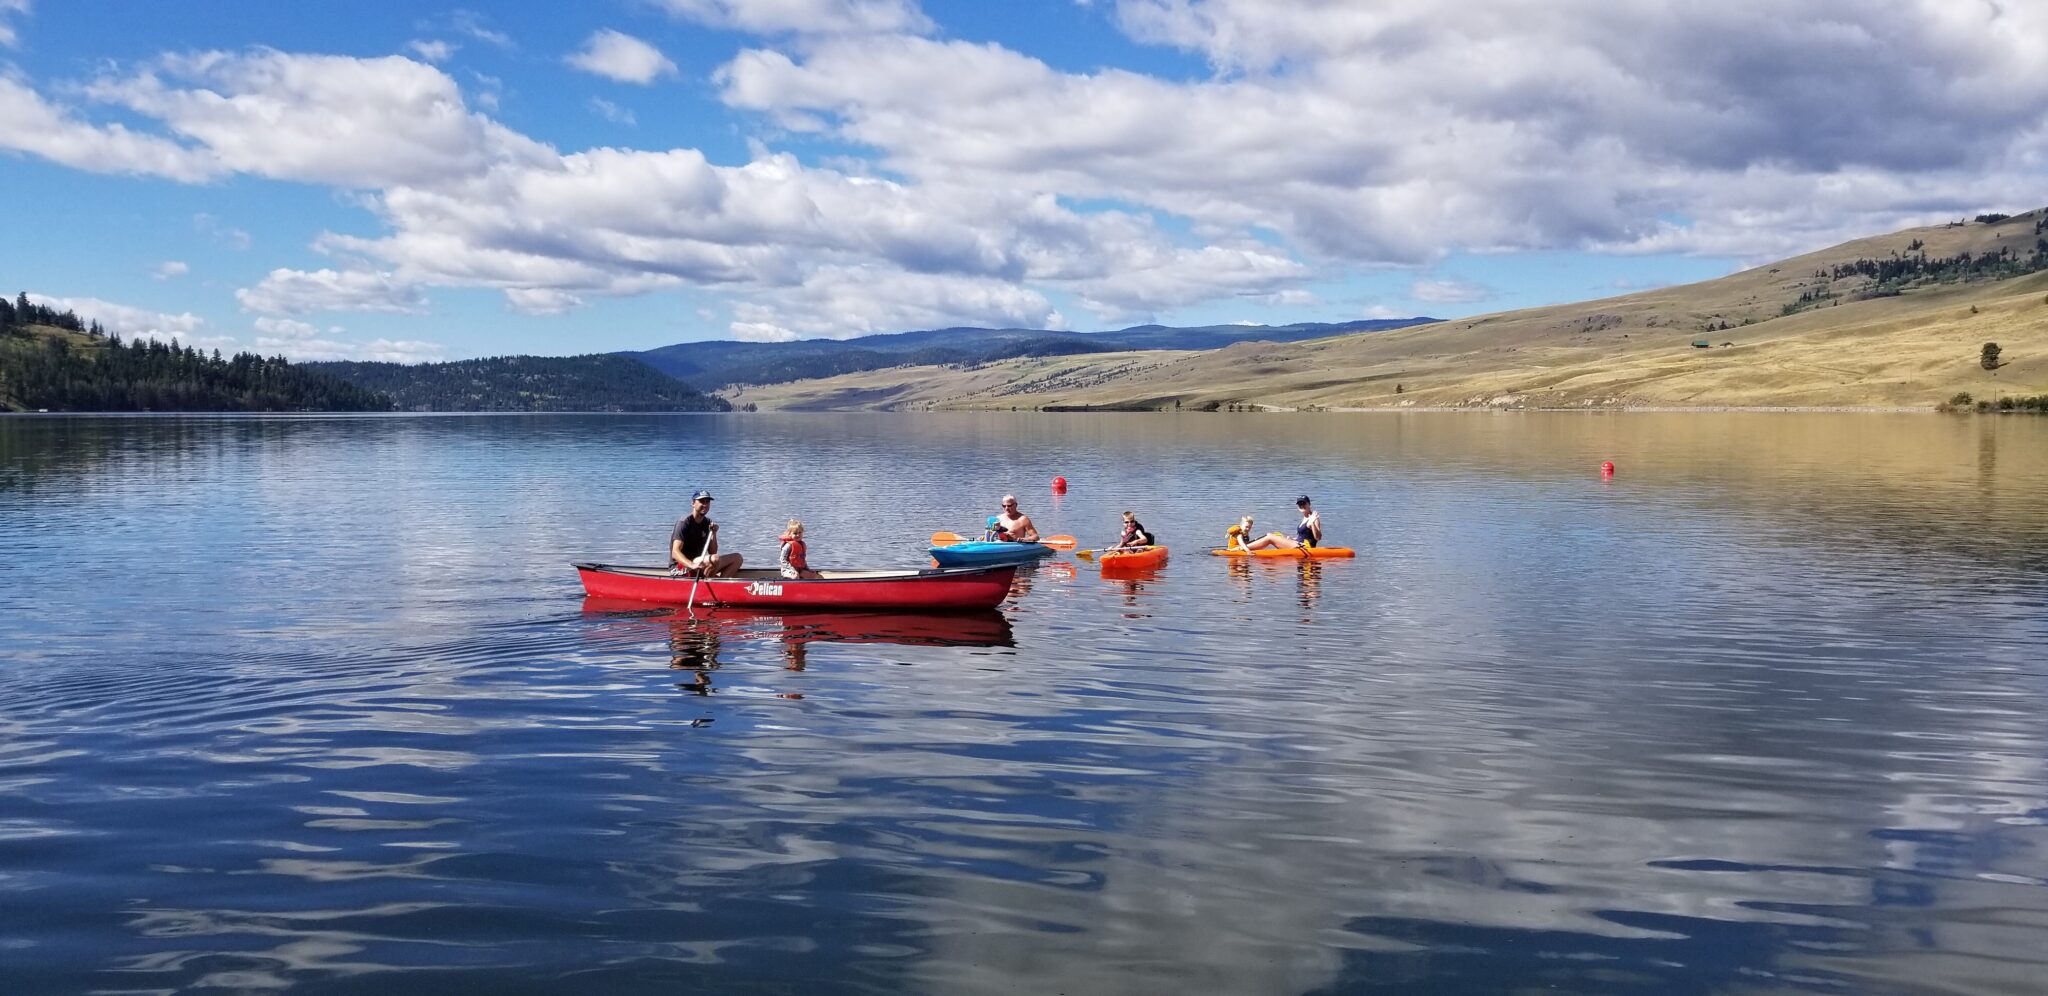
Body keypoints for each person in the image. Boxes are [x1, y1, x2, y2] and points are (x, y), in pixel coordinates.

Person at [670, 490, 743, 577]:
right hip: (681, 567)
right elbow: (675, 552)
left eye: (707, 502)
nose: (705, 505)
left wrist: (714, 533)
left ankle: (718, 585)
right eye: (701, 501)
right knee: (715, 559)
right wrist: (691, 565)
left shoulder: (707, 522)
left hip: (698, 564)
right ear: (693, 503)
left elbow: (713, 551)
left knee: (737, 558)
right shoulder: (684, 522)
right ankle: (710, 581)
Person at [1225, 515, 1295, 552]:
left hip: (1241, 547)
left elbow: (1246, 542)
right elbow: (1242, 544)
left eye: (1249, 527)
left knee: (1265, 536)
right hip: (1234, 549)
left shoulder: (1245, 533)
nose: (1248, 529)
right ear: (1241, 526)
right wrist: (1248, 552)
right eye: (1246, 527)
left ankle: (1268, 538)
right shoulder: (1239, 534)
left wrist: (1256, 540)